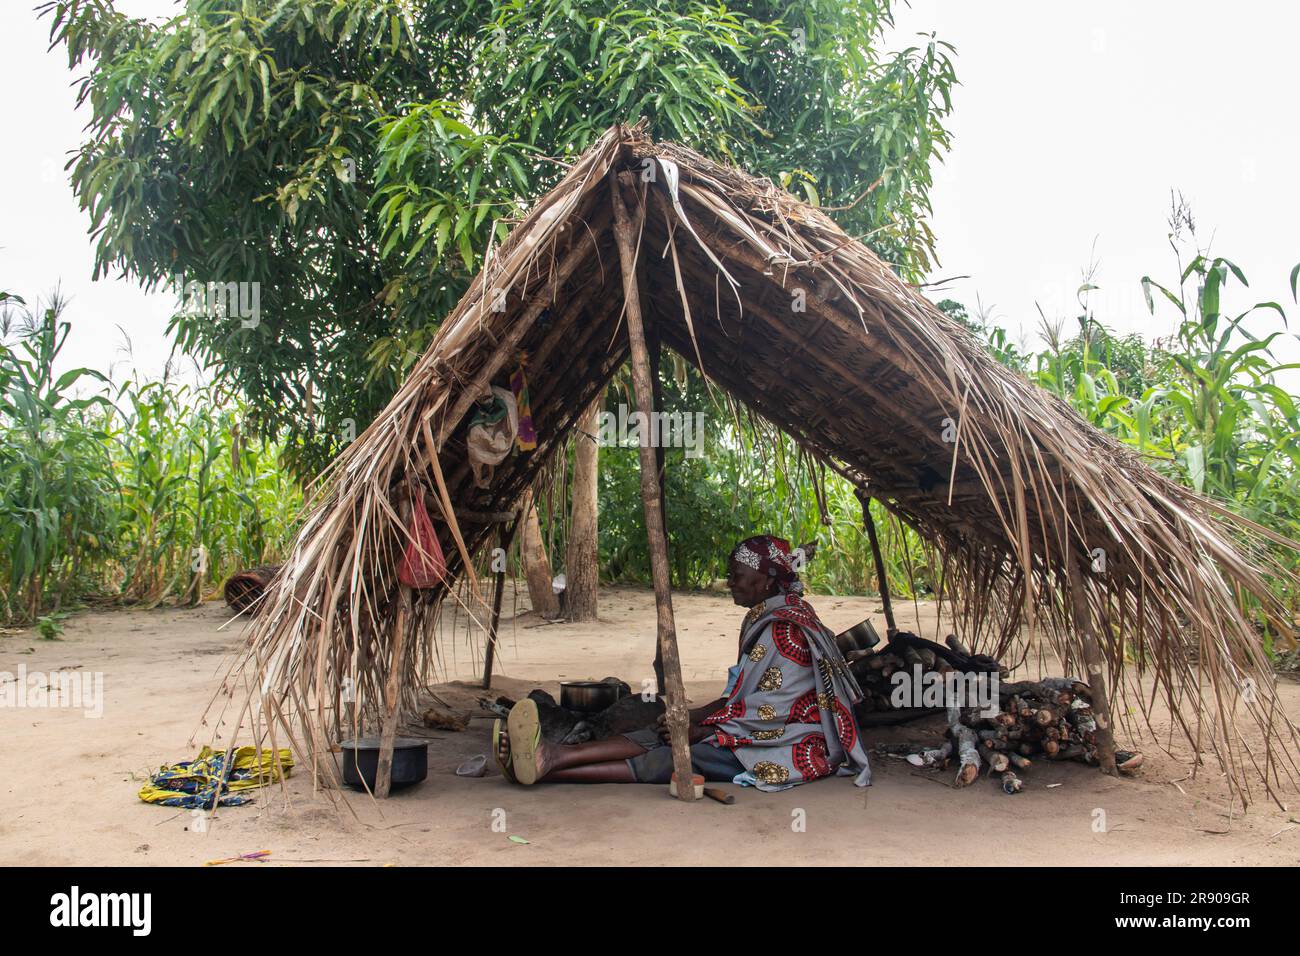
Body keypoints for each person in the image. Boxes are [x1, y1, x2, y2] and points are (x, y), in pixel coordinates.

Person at [492, 535, 872, 790]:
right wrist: (691, 718)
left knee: (671, 758)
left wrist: (703, 730)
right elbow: (744, 697)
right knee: (660, 733)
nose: (730, 583)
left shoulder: (783, 630)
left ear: (768, 579)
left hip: (780, 743)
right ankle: (553, 755)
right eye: (730, 575)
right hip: (752, 726)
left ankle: (548, 768)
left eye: (738, 576)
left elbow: (770, 713)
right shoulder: (772, 615)